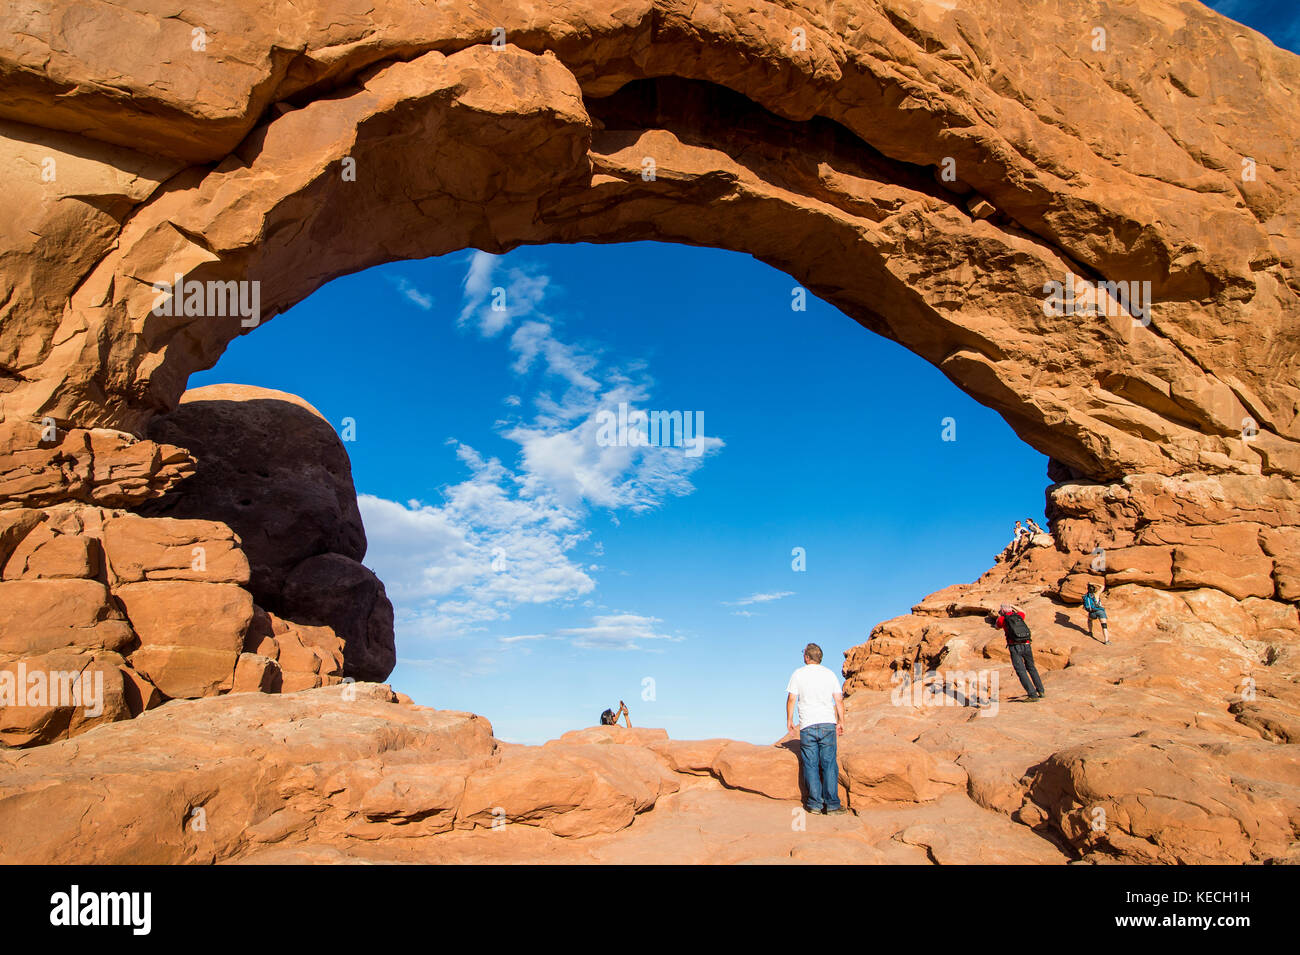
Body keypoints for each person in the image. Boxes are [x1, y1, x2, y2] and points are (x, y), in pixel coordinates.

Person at [785, 643, 847, 815]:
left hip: (808, 725)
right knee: (829, 764)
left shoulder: (798, 673)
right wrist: (841, 721)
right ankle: (833, 805)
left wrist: (789, 720)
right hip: (828, 723)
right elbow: (838, 700)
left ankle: (814, 804)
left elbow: (791, 698)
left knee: (810, 765)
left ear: (806, 656)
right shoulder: (829, 674)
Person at [994, 603, 1045, 701]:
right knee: (1031, 668)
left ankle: (1032, 695)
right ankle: (1041, 691)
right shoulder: (1018, 615)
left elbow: (996, 627)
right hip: (1026, 644)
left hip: (1015, 647)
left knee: (1021, 671)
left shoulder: (1002, 619)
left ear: (1002, 611)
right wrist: (1012, 605)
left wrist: (1000, 615)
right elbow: (1023, 611)